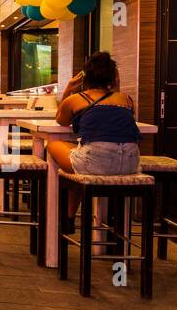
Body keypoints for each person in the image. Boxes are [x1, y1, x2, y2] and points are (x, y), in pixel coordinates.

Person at [48, 52, 140, 216]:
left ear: (85, 77)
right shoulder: (127, 100)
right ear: (113, 77)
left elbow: (61, 120)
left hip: (96, 163)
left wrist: (69, 88)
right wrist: (116, 86)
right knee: (78, 154)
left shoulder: (75, 99)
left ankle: (63, 218)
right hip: (131, 164)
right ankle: (96, 219)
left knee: (53, 145)